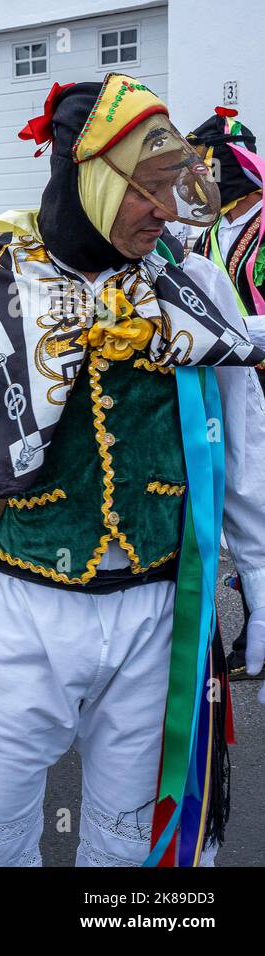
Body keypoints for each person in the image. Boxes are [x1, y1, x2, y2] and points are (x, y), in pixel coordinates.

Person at [0, 75, 265, 867]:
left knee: (139, 845)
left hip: (162, 616)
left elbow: (245, 454)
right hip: (19, 615)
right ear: (90, 177)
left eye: (178, 186)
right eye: (150, 190)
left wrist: (264, 585)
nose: (169, 211)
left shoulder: (198, 289)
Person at [188, 108, 265, 681]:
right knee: (230, 511)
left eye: (205, 166)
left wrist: (239, 337)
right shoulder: (208, 232)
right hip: (225, 388)